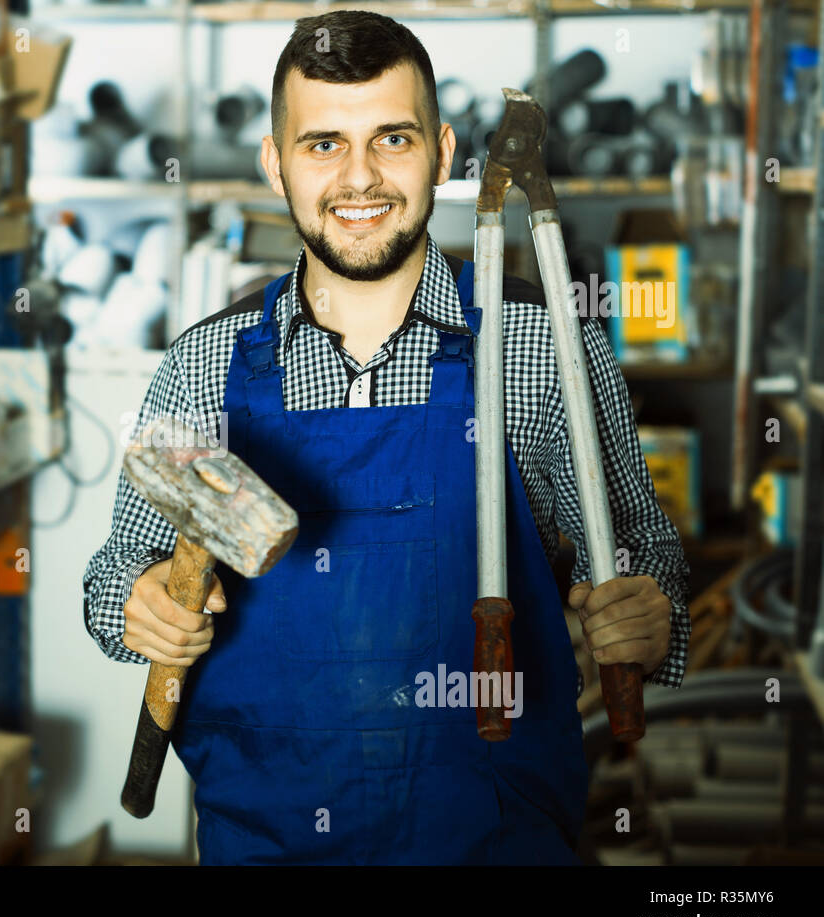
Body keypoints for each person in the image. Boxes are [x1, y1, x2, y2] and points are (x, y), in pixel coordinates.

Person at [83, 9, 691, 865]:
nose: (359, 178)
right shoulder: (205, 365)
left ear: (442, 153)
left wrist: (649, 613)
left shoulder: (541, 346)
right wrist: (137, 605)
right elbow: (112, 578)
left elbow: (646, 552)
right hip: (262, 845)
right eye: (323, 143)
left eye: (392, 138)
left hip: (496, 845)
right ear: (274, 162)